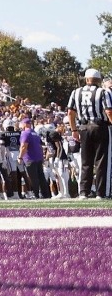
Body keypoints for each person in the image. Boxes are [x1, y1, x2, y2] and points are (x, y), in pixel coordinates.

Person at [66, 68, 112, 199]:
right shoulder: (103, 91)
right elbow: (109, 111)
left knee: (86, 161)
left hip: (83, 127)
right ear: (99, 80)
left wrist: (74, 130)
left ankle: (84, 192)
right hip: (99, 127)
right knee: (102, 161)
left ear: (86, 79)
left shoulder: (76, 92)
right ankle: (101, 193)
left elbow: (70, 112)